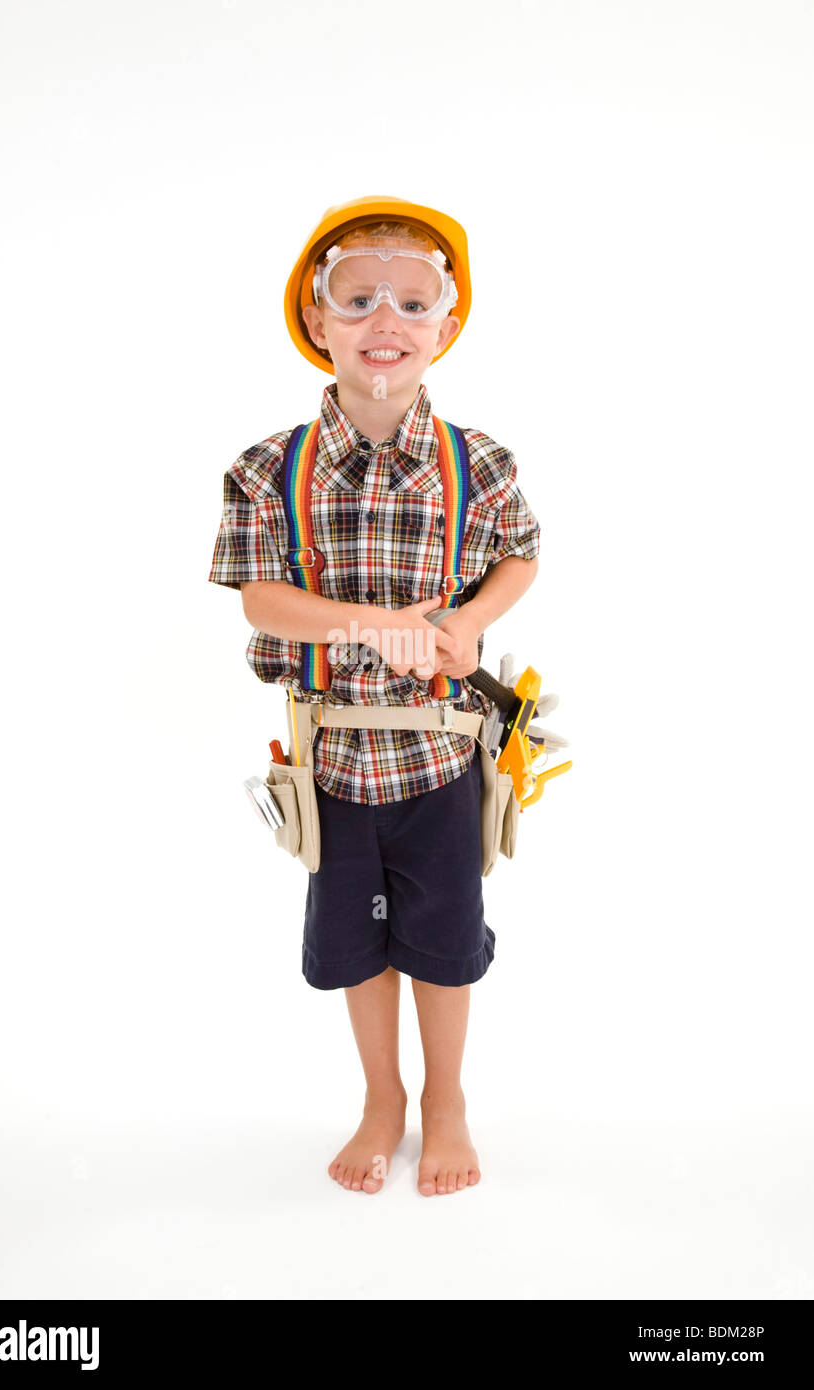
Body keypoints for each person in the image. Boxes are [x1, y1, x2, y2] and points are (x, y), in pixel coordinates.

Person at [209, 196, 540, 1196]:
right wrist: (367, 624)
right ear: (316, 322)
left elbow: (518, 556)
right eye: (357, 300)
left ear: (446, 324)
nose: (383, 321)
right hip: (333, 761)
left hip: (441, 758)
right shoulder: (269, 468)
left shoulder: (476, 461)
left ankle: (446, 1100)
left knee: (442, 945)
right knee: (356, 944)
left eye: (411, 300)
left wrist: (471, 620)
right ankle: (381, 1097)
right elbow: (260, 600)